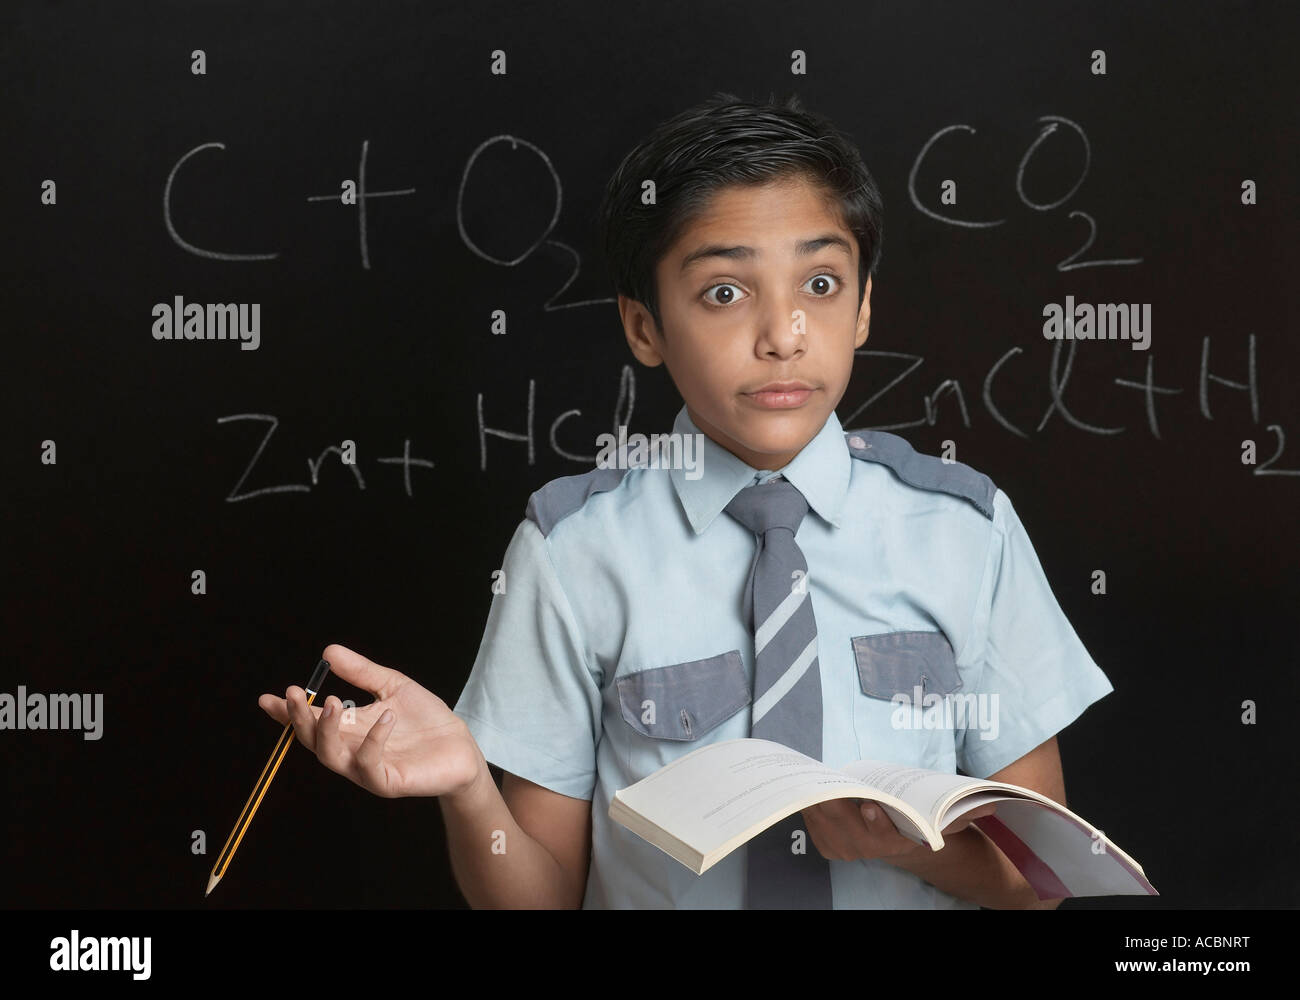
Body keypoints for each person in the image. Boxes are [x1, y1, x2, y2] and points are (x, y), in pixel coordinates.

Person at [259, 92, 1113, 909]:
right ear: (643, 327)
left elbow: (1037, 884)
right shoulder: (572, 551)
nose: (783, 334)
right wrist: (467, 790)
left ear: (861, 309)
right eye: (725, 293)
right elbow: (540, 899)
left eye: (820, 284)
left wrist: (903, 844)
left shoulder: (966, 530)